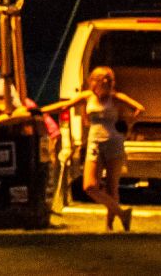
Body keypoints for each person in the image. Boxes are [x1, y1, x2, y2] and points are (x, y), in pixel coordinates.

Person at [45, 67, 145, 231]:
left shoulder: (116, 97)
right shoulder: (87, 96)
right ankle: (122, 213)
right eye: (102, 79)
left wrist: (128, 123)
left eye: (108, 79)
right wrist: (41, 110)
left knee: (112, 186)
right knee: (89, 186)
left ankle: (109, 226)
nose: (105, 82)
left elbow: (140, 108)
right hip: (94, 144)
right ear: (93, 81)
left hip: (114, 143)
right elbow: (65, 105)